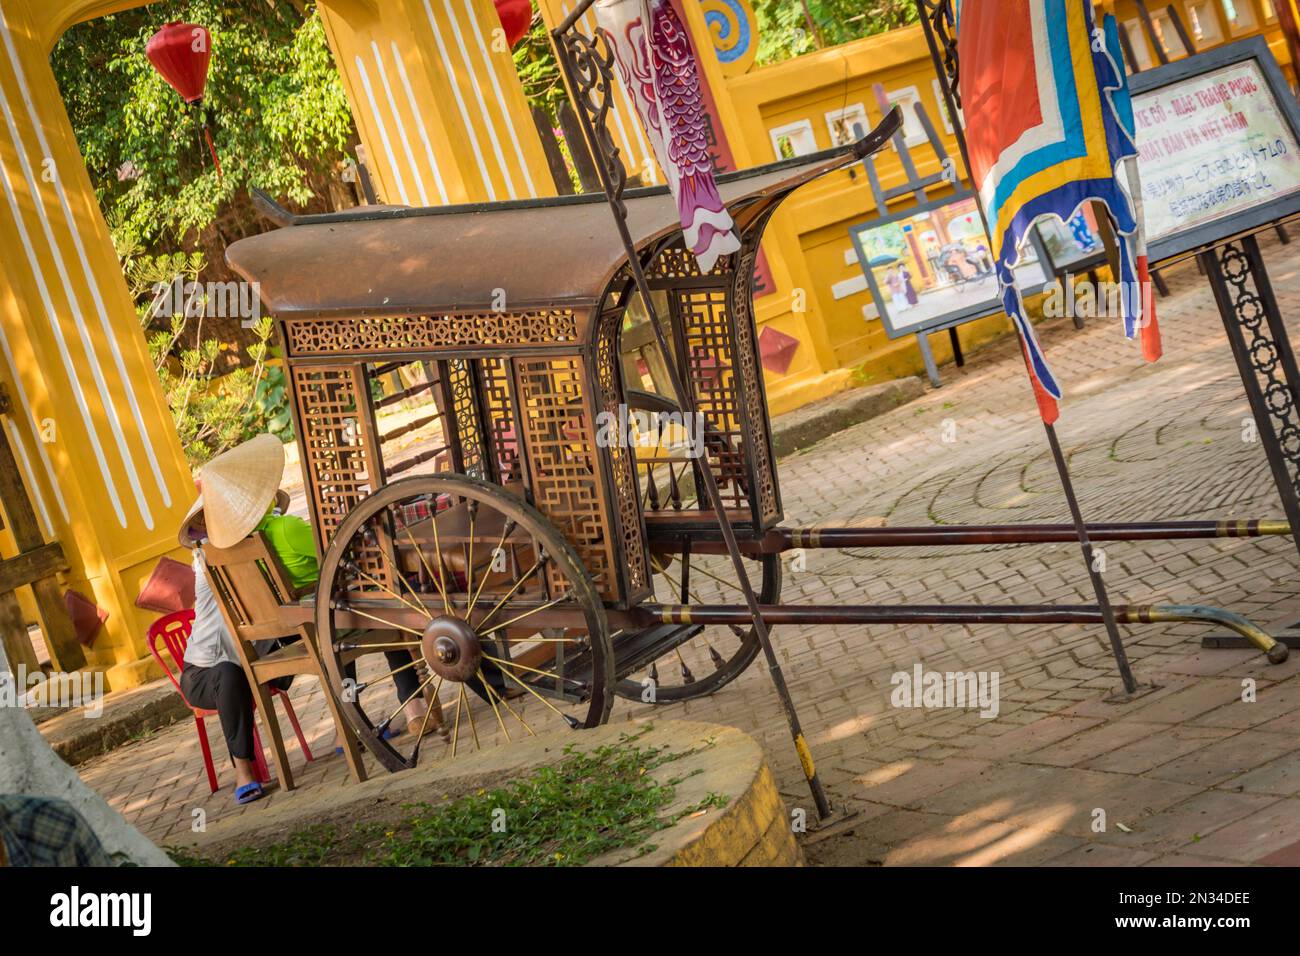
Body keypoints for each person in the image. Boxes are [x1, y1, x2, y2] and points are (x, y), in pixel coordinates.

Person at [177, 434, 434, 804]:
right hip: (205, 672)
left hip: (264, 651)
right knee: (228, 673)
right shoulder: (207, 561)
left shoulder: (259, 545)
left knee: (329, 629)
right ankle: (243, 771)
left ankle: (354, 727)